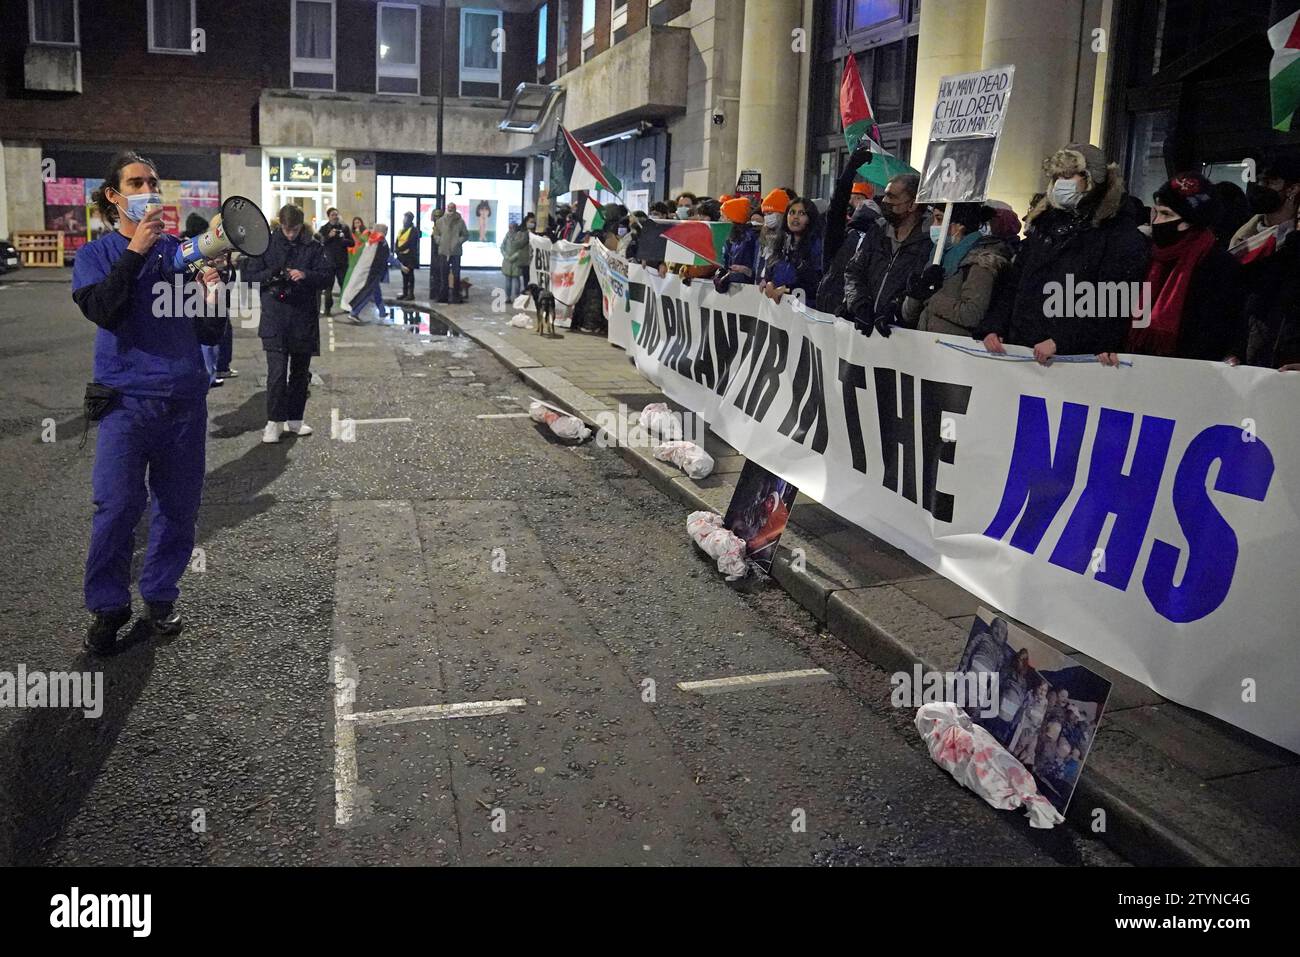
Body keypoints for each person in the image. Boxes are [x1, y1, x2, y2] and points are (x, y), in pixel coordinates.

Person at [71, 151, 226, 653]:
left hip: (183, 399)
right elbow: (103, 310)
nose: (148, 191)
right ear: (114, 197)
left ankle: (159, 594)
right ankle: (109, 606)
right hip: (126, 402)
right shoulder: (96, 255)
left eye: (153, 182)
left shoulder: (180, 253)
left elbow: (207, 330)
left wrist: (213, 296)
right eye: (136, 183)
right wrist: (134, 251)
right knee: (116, 505)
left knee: (178, 509)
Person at [978, 143, 1149, 366]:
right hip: (1024, 350)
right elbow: (1015, 282)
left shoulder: (1117, 233)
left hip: (1070, 361)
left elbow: (1116, 300)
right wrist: (995, 325)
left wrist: (1062, 339)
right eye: (1058, 175)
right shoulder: (1045, 226)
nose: (1062, 182)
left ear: (1093, 178)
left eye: (1070, 174)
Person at [1127, 173, 1245, 362]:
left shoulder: (1218, 266)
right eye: (1155, 212)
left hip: (1192, 371)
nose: (1156, 221)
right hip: (1141, 366)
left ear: (1190, 221)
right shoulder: (1147, 256)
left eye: (1166, 214)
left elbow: (1226, 327)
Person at [242, 204, 333, 443]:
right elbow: (249, 276)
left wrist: (305, 275)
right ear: (279, 224)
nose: (290, 234)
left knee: (301, 374)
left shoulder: (314, 246)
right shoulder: (266, 244)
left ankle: (295, 420)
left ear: (301, 225)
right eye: (286, 229)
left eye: (294, 229)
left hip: (303, 317)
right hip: (275, 317)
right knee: (277, 373)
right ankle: (274, 422)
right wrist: (273, 273)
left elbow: (327, 277)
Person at [839, 173, 933, 335]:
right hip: (865, 331)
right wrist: (859, 304)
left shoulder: (928, 243)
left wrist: (893, 312)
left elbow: (918, 289)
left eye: (891, 197)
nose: (884, 201)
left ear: (912, 205)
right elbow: (853, 271)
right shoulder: (877, 231)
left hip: (899, 338)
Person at [902, 203, 1011, 336]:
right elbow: (909, 316)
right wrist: (916, 294)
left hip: (954, 350)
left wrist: (930, 297)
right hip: (926, 344)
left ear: (959, 226)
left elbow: (971, 315)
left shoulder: (981, 262)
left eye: (939, 219)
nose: (933, 226)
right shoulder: (936, 257)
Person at [1232, 156, 1300, 366]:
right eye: (1260, 182)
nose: (1262, 188)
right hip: (1249, 350)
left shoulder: (1294, 242)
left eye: (1270, 182)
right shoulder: (1242, 241)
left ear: (1293, 189)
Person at [759, 196, 823, 304]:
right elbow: (772, 270)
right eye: (791, 212)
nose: (795, 217)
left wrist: (786, 289)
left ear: (810, 218)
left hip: (805, 309)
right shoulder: (782, 243)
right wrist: (769, 282)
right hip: (780, 312)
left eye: (801, 213)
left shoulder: (816, 245)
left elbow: (815, 283)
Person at [715, 196, 759, 290]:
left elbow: (750, 274)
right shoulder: (735, 240)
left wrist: (732, 276)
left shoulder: (749, 239)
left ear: (733, 219)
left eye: (723, 217)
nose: (720, 220)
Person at [318, 207, 354, 314]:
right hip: (329, 261)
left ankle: (346, 305)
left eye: (336, 214)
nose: (335, 217)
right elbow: (320, 242)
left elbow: (352, 243)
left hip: (342, 261)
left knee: (344, 284)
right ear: (328, 216)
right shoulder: (324, 229)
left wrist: (343, 240)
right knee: (328, 286)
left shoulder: (344, 228)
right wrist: (329, 236)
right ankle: (328, 308)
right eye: (332, 215)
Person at [436, 203, 469, 303]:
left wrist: (458, 241)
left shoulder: (460, 222)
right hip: (443, 251)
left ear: (455, 209)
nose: (450, 210)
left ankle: (455, 296)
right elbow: (436, 234)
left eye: (452, 208)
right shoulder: (440, 221)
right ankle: (443, 296)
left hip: (456, 252)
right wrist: (439, 240)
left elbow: (465, 235)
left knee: (456, 274)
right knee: (443, 275)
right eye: (449, 208)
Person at [500, 217, 531, 301]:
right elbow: (502, 247)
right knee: (508, 280)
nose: (510, 229)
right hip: (507, 261)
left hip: (516, 261)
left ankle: (516, 297)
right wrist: (506, 256)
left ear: (515, 227)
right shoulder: (507, 235)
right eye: (509, 227)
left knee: (516, 279)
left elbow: (521, 248)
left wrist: (513, 256)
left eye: (512, 227)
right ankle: (508, 297)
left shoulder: (520, 235)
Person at [394, 210, 420, 300]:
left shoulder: (413, 230)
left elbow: (410, 243)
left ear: (410, 219)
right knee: (404, 274)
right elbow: (398, 240)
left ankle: (410, 294)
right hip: (402, 256)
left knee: (409, 274)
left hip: (410, 256)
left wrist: (399, 249)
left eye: (406, 218)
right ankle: (405, 293)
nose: (404, 220)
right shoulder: (402, 230)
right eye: (404, 218)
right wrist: (396, 249)